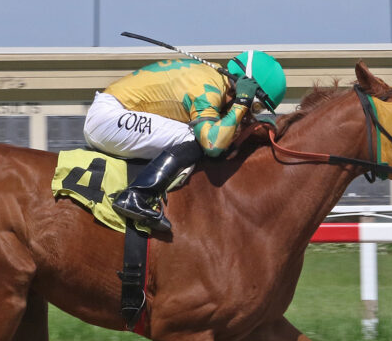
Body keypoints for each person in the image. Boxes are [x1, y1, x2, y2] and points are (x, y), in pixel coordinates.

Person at [82, 50, 287, 233]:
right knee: (195, 137)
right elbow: (212, 145)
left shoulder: (214, 77)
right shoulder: (207, 87)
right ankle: (136, 196)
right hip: (108, 118)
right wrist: (242, 103)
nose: (252, 114)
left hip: (113, 114)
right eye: (256, 106)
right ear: (245, 85)